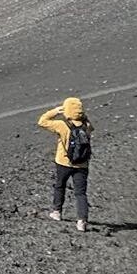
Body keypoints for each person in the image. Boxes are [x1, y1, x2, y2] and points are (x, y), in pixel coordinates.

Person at [37, 97, 92, 231]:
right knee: (80, 193)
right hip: (82, 165)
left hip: (63, 162)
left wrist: (55, 111)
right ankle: (82, 221)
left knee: (60, 186)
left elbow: (42, 121)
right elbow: (91, 128)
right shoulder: (87, 125)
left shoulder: (62, 125)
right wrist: (82, 116)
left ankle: (57, 212)